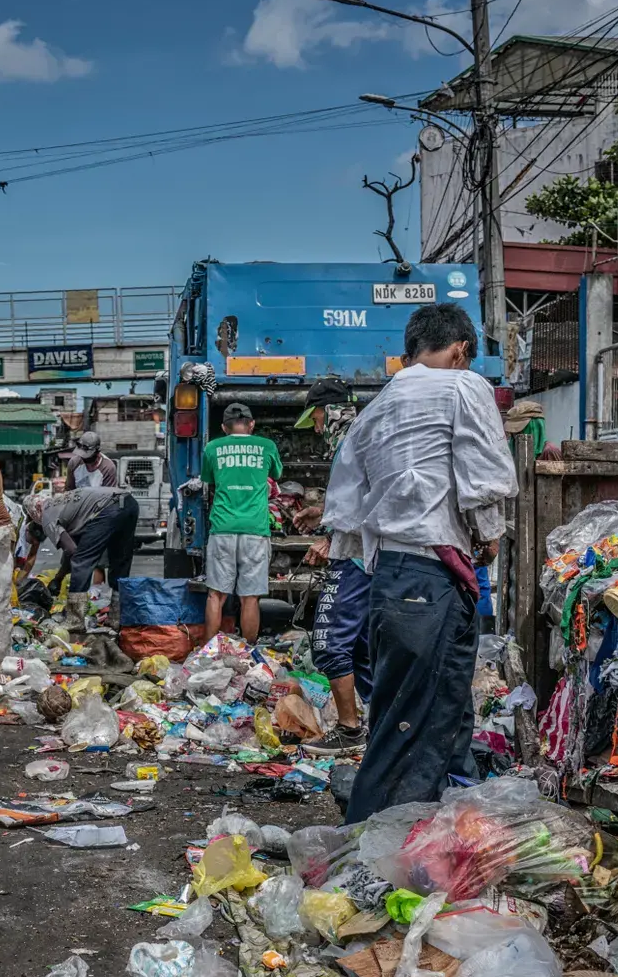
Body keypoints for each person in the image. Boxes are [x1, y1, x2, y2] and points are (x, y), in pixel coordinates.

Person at [324, 303, 516, 823]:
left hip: (393, 575)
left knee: (437, 708)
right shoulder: (463, 385)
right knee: (413, 720)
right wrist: (491, 536)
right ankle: (370, 836)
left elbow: (345, 504)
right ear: (460, 350)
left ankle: (444, 820)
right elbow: (483, 474)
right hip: (432, 574)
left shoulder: (378, 404)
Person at [196, 402, 281, 642]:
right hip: (255, 529)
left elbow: (209, 479)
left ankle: (208, 651)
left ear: (224, 427)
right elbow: (276, 474)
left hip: (222, 528)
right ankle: (249, 652)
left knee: (216, 595)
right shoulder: (267, 446)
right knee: (250, 597)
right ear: (252, 424)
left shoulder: (212, 448)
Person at [304, 540, 372, 756]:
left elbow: (358, 507)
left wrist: (331, 538)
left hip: (355, 556)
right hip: (369, 557)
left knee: (329, 642)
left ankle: (349, 731)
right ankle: (380, 725)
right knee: (364, 648)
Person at [25, 485, 138, 604]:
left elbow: (72, 552)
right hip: (129, 502)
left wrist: (58, 580)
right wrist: (59, 578)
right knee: (120, 558)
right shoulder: (61, 504)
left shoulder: (46, 515)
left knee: (81, 561)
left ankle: (75, 617)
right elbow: (72, 549)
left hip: (108, 507)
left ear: (35, 510)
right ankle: (117, 615)